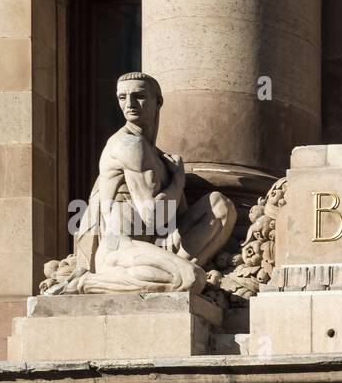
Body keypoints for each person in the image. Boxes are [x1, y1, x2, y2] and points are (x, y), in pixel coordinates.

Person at [46, 72, 235, 294]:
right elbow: (154, 215)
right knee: (191, 278)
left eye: (138, 96)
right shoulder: (128, 145)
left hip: (153, 244)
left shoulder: (159, 157)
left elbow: (175, 218)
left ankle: (166, 272)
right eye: (122, 97)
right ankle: (85, 283)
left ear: (158, 101)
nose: (129, 104)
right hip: (120, 248)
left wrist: (175, 182)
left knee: (221, 206)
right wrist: (178, 180)